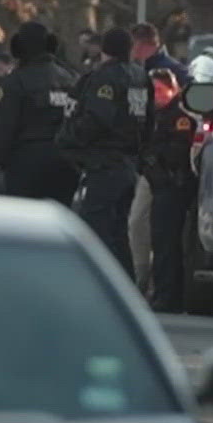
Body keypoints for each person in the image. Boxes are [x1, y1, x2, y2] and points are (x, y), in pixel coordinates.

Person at [58, 27, 148, 279]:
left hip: (106, 161)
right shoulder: (140, 76)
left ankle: (100, 283)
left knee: (95, 226)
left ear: (105, 50)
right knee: (119, 229)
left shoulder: (106, 77)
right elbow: (147, 118)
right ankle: (125, 283)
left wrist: (71, 138)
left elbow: (98, 118)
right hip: (130, 162)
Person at [0, 22, 79, 199]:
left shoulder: (14, 83)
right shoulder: (71, 80)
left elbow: (2, 129)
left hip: (26, 164)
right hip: (66, 164)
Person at [127, 22, 192, 292]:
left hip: (166, 169)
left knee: (151, 227)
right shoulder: (139, 71)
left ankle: (147, 281)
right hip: (145, 163)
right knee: (142, 224)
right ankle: (145, 280)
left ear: (142, 45)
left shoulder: (172, 74)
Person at [142, 68, 196, 313]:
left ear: (173, 90)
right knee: (159, 240)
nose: (155, 96)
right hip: (160, 184)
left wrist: (154, 156)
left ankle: (169, 296)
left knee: (168, 242)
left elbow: (177, 153)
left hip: (173, 185)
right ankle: (162, 292)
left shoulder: (179, 117)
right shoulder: (154, 115)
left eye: (159, 91)